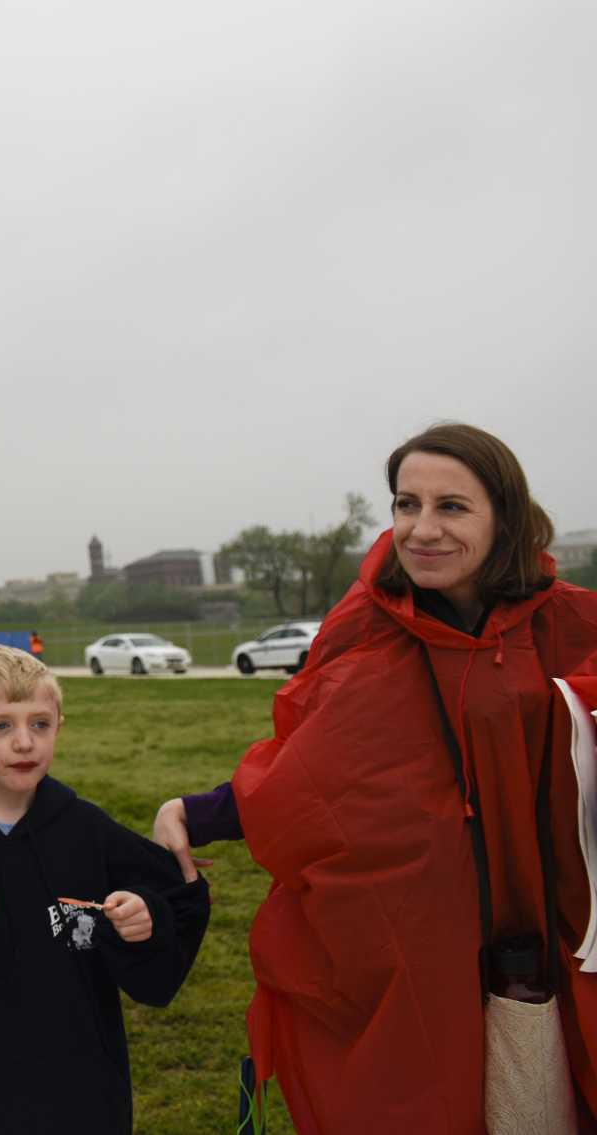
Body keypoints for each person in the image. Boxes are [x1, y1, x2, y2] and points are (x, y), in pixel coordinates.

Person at [152, 423, 597, 1129]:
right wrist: (204, 811)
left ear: (504, 515)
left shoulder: (568, 622)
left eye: (452, 506)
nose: (422, 529)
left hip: (547, 917)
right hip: (419, 934)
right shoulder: (366, 626)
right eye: (405, 503)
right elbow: (319, 755)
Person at [0, 645, 210, 1132]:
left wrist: (143, 915)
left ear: (59, 726)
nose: (25, 743)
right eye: (1, 726)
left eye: (40, 724)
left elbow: (172, 901)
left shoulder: (85, 829)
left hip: (84, 1083)